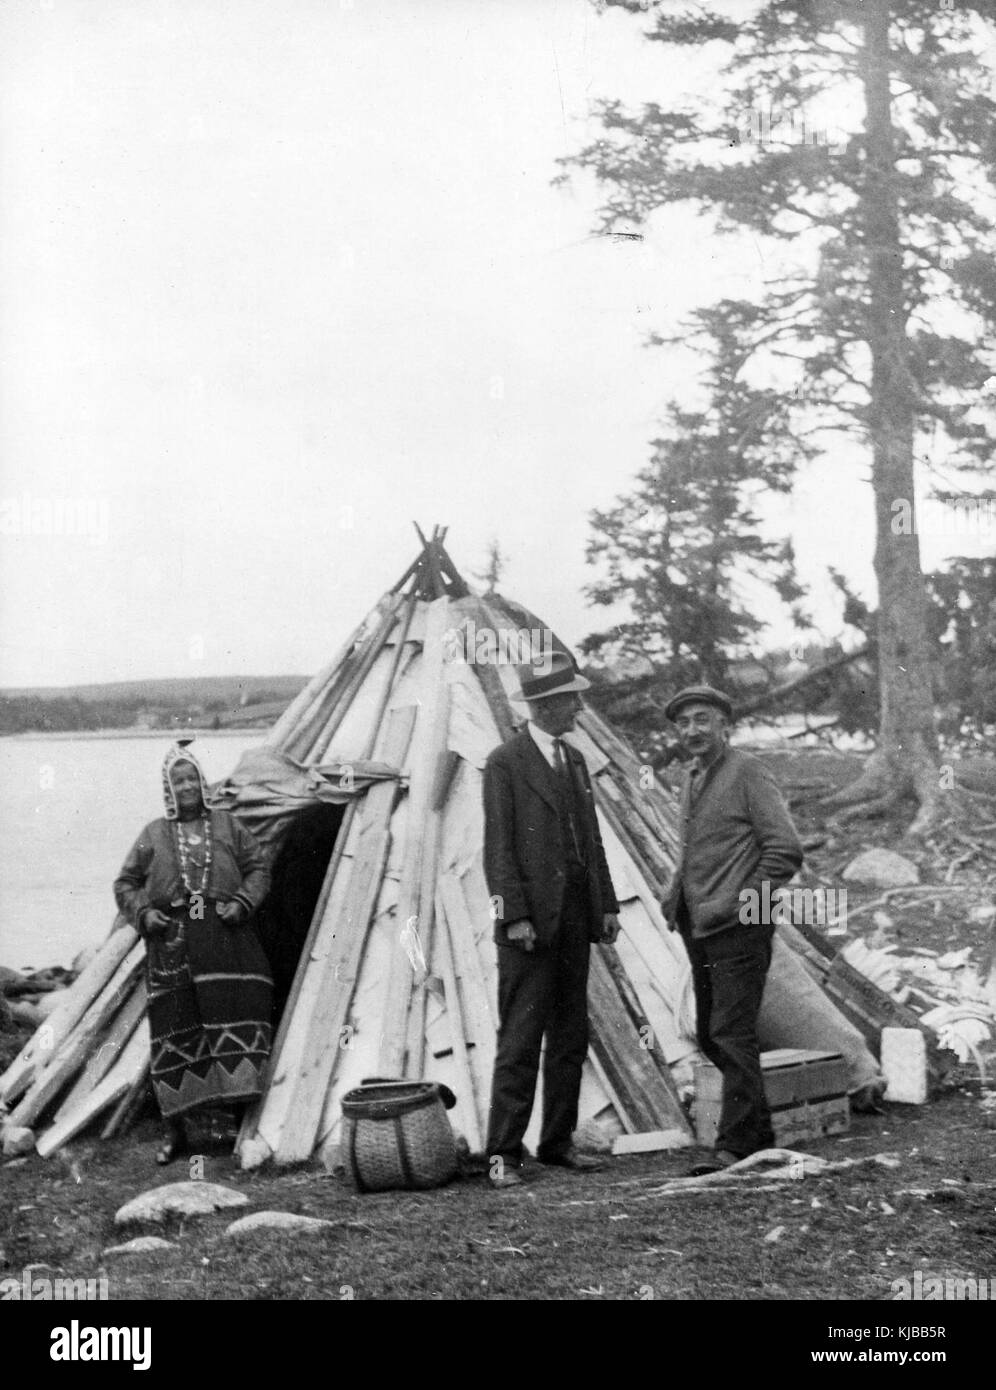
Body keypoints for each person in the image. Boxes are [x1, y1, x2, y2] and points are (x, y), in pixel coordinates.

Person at [482, 651, 621, 1189]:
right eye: (571, 699)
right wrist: (513, 916)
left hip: (574, 923)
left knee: (569, 1037)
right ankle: (503, 1155)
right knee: (520, 1040)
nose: (580, 707)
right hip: (530, 929)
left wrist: (605, 904)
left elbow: (591, 841)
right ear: (545, 705)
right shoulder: (505, 762)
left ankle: (556, 1143)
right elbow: (497, 850)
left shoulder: (575, 761)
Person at [662, 685, 804, 1172]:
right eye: (683, 723)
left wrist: (748, 906)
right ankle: (756, 1130)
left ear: (726, 724)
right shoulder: (692, 775)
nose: (692, 731)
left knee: (730, 1030)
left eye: (703, 720)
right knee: (710, 1031)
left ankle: (736, 1144)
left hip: (740, 925)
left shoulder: (748, 771)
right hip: (699, 922)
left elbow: (784, 849)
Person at [114, 741, 273, 1164]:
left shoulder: (228, 825)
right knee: (175, 1028)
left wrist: (241, 901)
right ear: (168, 789)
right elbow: (125, 882)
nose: (185, 786)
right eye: (177, 780)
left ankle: (242, 1121)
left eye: (191, 778)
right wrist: (144, 914)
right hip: (174, 940)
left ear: (202, 783)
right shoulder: (153, 833)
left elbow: (259, 866)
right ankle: (177, 1132)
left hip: (224, 934)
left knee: (234, 1015)